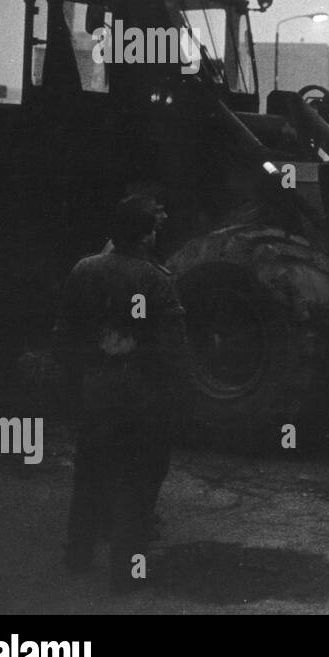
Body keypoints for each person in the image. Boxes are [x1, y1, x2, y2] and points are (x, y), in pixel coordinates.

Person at [53, 195, 194, 593]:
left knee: (90, 474)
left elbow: (64, 336)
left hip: (96, 388)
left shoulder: (84, 270)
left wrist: (87, 370)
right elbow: (172, 349)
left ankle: (77, 556)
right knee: (138, 482)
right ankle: (126, 575)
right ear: (147, 235)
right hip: (142, 395)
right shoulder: (156, 279)